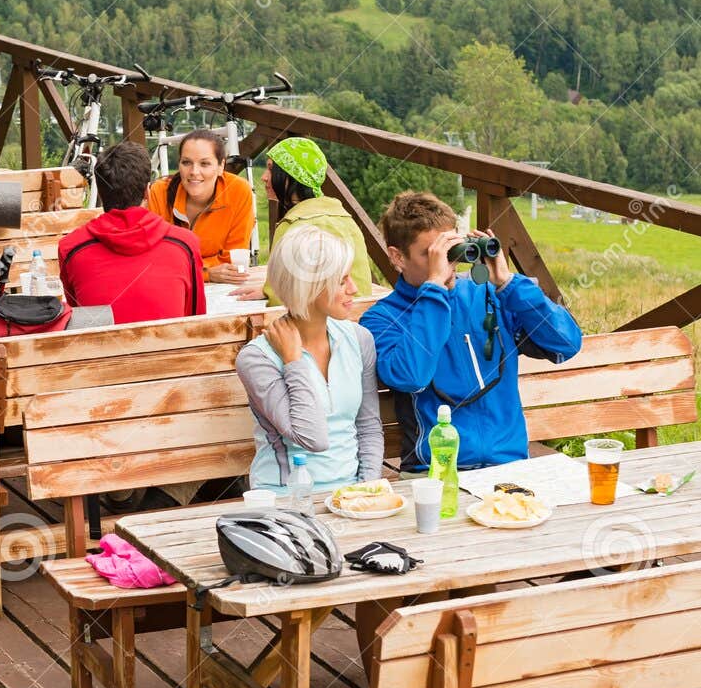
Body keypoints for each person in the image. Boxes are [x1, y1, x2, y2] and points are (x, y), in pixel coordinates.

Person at [363, 190, 583, 472]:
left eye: (450, 250)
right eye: (432, 254)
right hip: (434, 474)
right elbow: (411, 376)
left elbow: (566, 344)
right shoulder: (383, 319)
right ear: (397, 257)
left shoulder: (490, 296)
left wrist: (508, 283)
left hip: (510, 466)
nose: (447, 264)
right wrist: (434, 290)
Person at [235, 225, 383, 493]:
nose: (354, 288)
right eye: (342, 280)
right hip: (284, 498)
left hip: (350, 496)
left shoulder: (359, 339)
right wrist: (293, 361)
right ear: (310, 288)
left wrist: (367, 490)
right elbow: (312, 437)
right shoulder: (257, 358)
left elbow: (368, 427)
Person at [57, 141, 206, 325]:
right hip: (170, 350)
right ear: (147, 192)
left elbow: (80, 319)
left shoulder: (71, 248)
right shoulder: (185, 243)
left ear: (101, 194)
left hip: (102, 351)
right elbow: (195, 319)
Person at [231, 136, 373, 303]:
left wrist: (273, 292)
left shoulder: (293, 226)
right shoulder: (343, 218)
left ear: (292, 175)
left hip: (319, 324)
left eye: (270, 169)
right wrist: (268, 289)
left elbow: (280, 302)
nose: (263, 177)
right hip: (357, 314)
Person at [147, 129, 255, 282]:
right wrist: (206, 272)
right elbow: (155, 260)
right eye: (186, 162)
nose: (194, 172)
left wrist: (183, 268)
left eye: (204, 164)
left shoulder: (239, 191)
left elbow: (235, 263)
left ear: (220, 166)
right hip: (170, 286)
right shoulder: (159, 192)